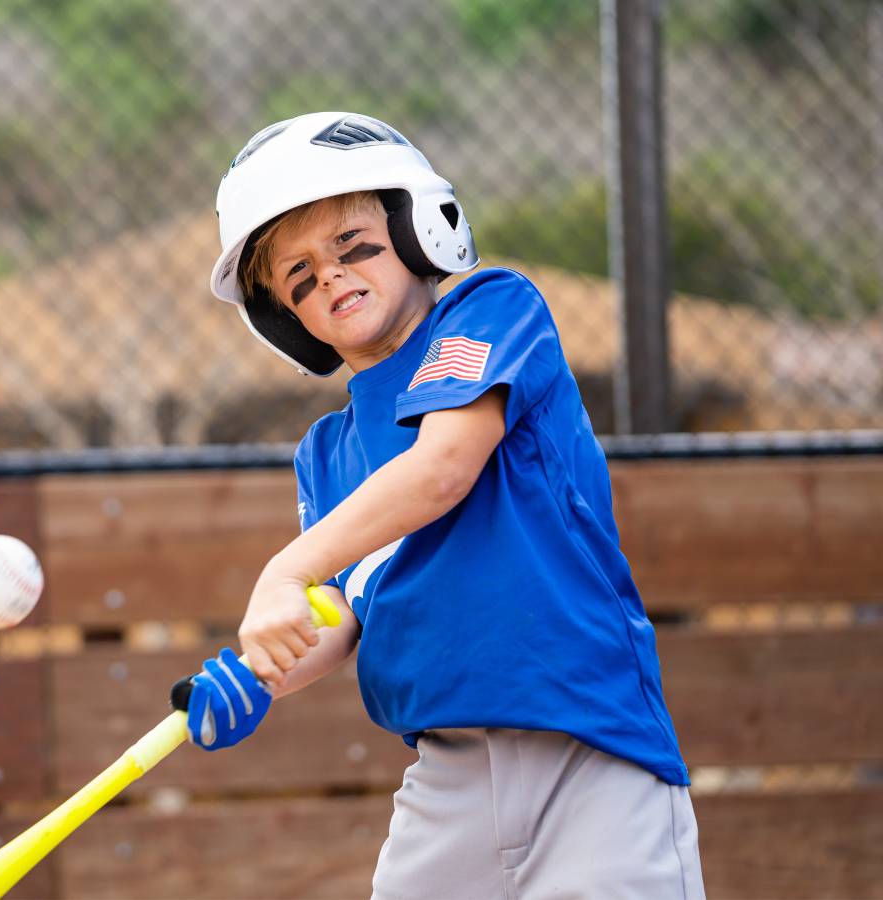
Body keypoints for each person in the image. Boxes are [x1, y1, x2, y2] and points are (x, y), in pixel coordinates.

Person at [173, 111, 705, 899]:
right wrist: (264, 672)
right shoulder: (327, 453)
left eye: (353, 245)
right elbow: (343, 608)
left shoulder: (491, 310)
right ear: (287, 318)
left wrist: (285, 571)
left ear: (421, 232)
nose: (333, 277)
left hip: (591, 751)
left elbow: (443, 466)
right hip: (446, 783)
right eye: (301, 276)